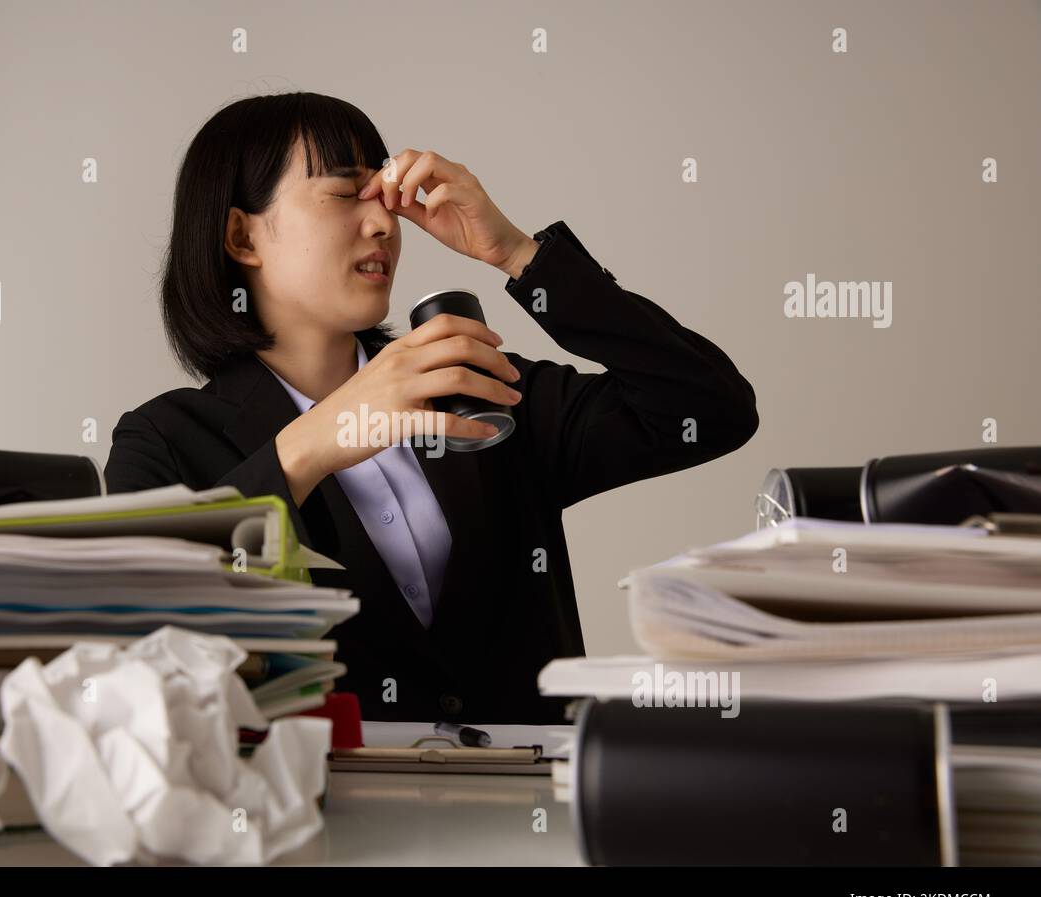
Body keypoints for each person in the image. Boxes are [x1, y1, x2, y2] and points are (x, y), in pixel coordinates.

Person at [105, 92, 759, 724]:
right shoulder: (165, 440)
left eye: (382, 194)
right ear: (242, 236)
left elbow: (710, 407)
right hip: (327, 823)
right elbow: (139, 633)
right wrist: (307, 448)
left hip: (528, 820)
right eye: (342, 195)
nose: (384, 223)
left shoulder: (474, 384)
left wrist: (518, 254)